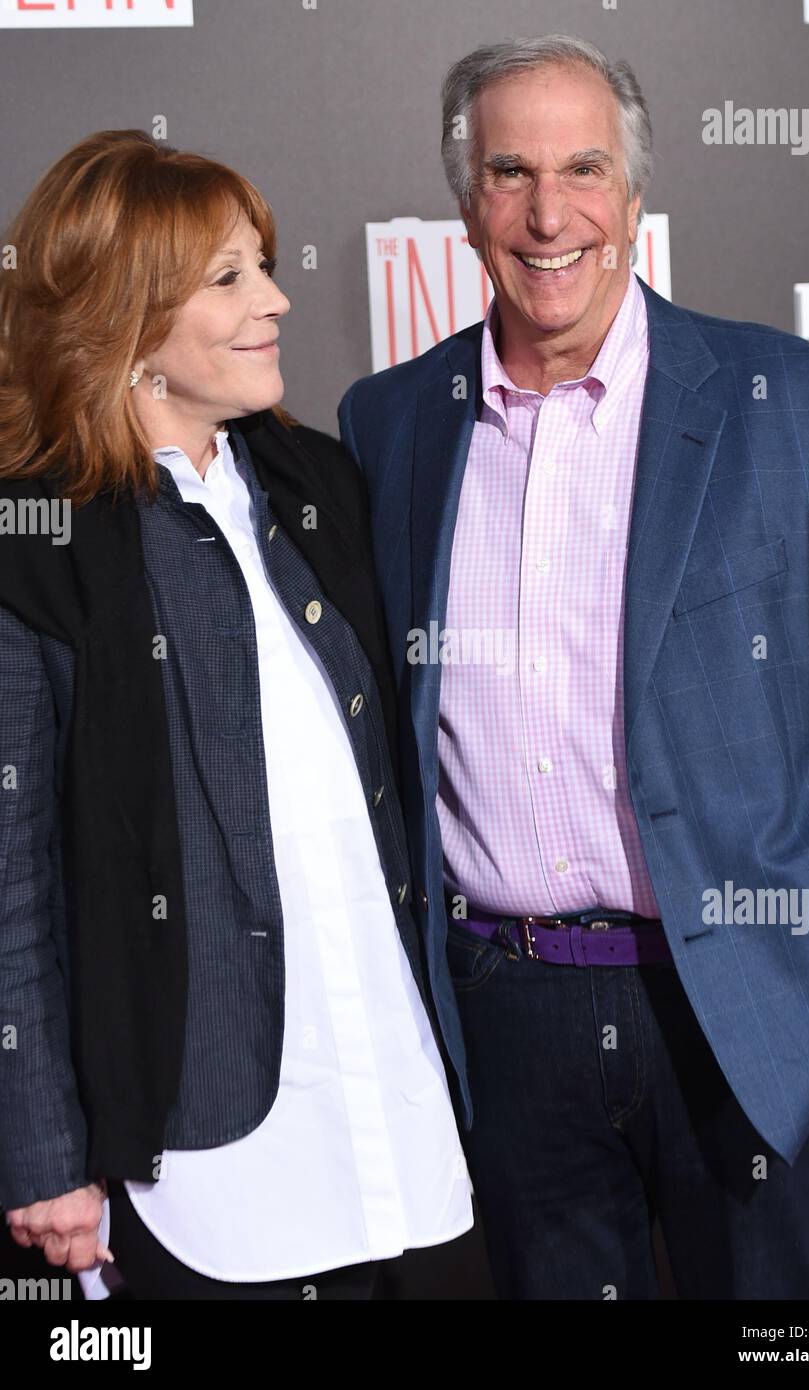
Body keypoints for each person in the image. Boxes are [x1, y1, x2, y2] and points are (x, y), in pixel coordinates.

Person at [338, 35, 809, 1299]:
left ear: (635, 197)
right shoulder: (386, 423)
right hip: (507, 1019)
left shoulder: (798, 403)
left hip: (737, 1006)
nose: (550, 215)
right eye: (510, 171)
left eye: (583, 169)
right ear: (463, 202)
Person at [0, 130, 472, 1300]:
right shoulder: (37, 546)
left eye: (261, 263)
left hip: (400, 1113)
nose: (275, 296)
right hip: (202, 1156)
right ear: (122, 314)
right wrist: (44, 1155)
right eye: (228, 278)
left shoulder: (318, 487)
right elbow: (11, 887)